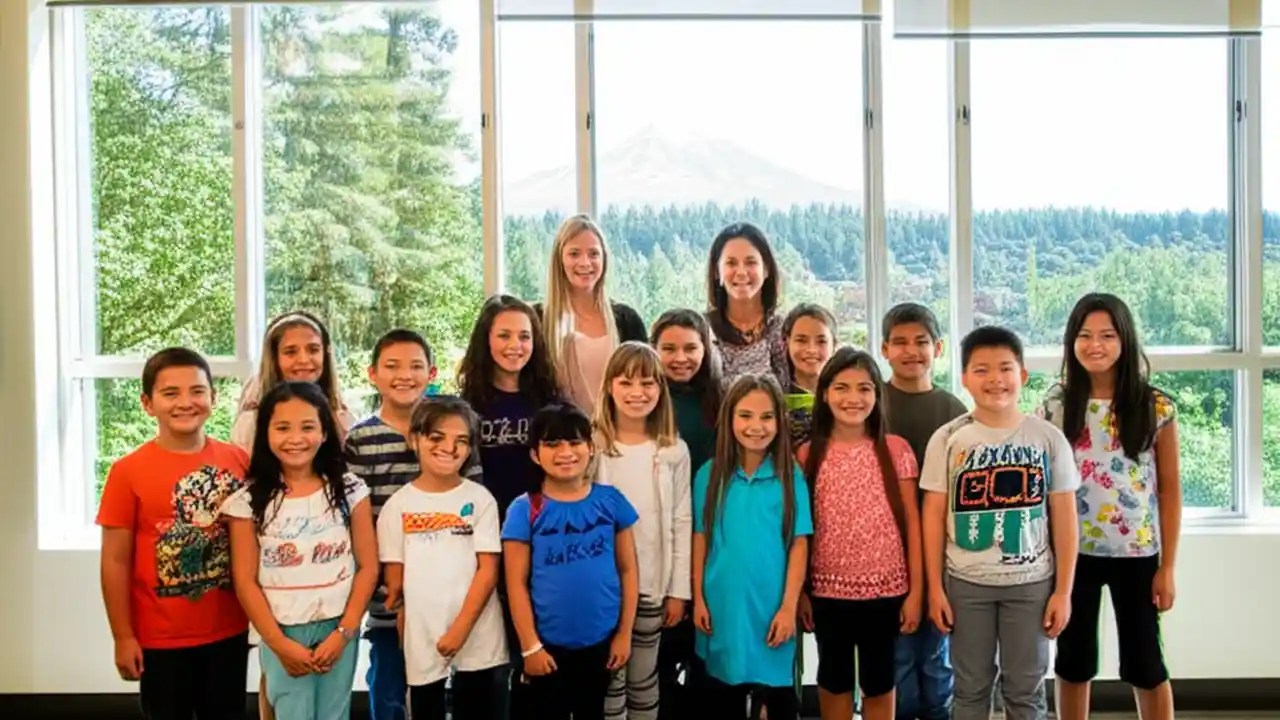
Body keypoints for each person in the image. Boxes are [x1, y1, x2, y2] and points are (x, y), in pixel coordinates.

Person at [920, 326, 1080, 720]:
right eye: (982, 370)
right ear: (964, 378)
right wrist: (935, 588)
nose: (995, 379)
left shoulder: (1048, 438)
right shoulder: (948, 438)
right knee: (970, 690)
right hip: (965, 583)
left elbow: (1063, 517)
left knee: (1026, 692)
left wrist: (1063, 591)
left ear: (1022, 375)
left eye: (1005, 368)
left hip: (1032, 584)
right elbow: (933, 516)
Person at [1039, 294, 1181, 720]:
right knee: (1073, 658)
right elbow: (1043, 486)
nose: (1094, 345)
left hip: (1136, 553)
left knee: (1145, 662)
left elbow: (1171, 492)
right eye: (1084, 335)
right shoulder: (1055, 406)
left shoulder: (1155, 407)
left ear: (1125, 341)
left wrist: (1168, 566)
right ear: (1071, 342)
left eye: (1106, 335)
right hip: (1072, 554)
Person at [97, 348, 251, 720]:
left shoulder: (238, 461)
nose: (186, 402)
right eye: (171, 393)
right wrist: (123, 636)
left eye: (197, 391)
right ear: (148, 404)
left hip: (229, 632)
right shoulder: (127, 471)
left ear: (213, 397)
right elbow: (115, 561)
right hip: (160, 640)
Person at [223, 382, 378, 720]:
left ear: (324, 432)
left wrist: (344, 631)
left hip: (338, 628)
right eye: (282, 427)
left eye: (308, 426)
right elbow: (246, 582)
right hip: (282, 630)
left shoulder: (350, 491)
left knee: (334, 714)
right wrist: (278, 643)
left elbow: (368, 567)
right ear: (265, 433)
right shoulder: (247, 502)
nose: (296, 438)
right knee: (292, 713)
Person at [796, 348, 923, 720]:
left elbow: (913, 525)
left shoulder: (895, 450)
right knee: (833, 678)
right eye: (842, 388)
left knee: (880, 679)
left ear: (877, 395)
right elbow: (800, 533)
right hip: (826, 592)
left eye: (864, 388)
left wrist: (916, 592)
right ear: (824, 393)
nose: (853, 398)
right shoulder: (806, 455)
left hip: (886, 591)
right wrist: (802, 592)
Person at [458, 294, 564, 719]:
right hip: (480, 545)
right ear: (486, 340)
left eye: (524, 336)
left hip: (540, 542)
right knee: (483, 657)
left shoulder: (549, 403)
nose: (514, 345)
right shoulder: (466, 405)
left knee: (533, 653)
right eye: (504, 335)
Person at [502, 402, 640, 720]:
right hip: (547, 648)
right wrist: (530, 646)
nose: (566, 451)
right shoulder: (525, 509)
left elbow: (629, 570)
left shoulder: (611, 500)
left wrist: (623, 634)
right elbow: (515, 584)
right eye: (552, 444)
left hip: (601, 644)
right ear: (536, 454)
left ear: (591, 448)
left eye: (575, 442)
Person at [378, 398, 509, 720]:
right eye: (437, 437)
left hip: (479, 637)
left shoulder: (480, 500)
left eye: (461, 440)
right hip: (423, 640)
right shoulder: (397, 506)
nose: (449, 448)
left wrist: (460, 630)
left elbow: (488, 571)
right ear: (415, 439)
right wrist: (404, 619)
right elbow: (395, 582)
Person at [693, 374, 812, 719]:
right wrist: (698, 597)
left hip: (771, 608)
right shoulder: (708, 475)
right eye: (745, 415)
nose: (755, 426)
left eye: (766, 417)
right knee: (723, 693)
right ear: (729, 418)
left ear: (779, 421)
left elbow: (799, 544)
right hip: (722, 608)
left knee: (776, 700)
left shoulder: (790, 476)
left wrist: (789, 607)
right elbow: (700, 538)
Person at [344, 329, 449, 720]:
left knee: (433, 688)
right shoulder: (361, 438)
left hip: (441, 582)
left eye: (416, 366)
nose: (404, 375)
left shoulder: (448, 429)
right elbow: (354, 515)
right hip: (386, 587)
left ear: (432, 372)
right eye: (392, 366)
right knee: (387, 688)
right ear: (373, 374)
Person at [593, 342, 693, 720]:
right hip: (604, 591)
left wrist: (678, 591)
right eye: (626, 382)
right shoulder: (594, 447)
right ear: (609, 388)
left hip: (654, 584)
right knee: (610, 681)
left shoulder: (673, 451)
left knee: (644, 679)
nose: (638, 393)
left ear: (660, 390)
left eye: (648, 383)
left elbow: (683, 521)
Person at [879, 303, 966, 720]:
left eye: (921, 342)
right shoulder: (870, 403)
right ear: (883, 349)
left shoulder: (954, 412)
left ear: (939, 347)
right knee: (894, 656)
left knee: (936, 655)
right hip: (881, 554)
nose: (911, 351)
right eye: (900, 342)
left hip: (939, 551)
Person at [647, 309, 723, 719]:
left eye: (691, 348)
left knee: (706, 655)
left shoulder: (720, 401)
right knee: (660, 653)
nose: (681, 357)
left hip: (712, 537)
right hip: (660, 540)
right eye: (669, 348)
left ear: (706, 349)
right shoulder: (646, 400)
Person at [537, 215, 647, 412]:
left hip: (619, 437)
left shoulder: (627, 321)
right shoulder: (537, 320)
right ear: (559, 259)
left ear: (604, 258)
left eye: (593, 254)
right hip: (561, 439)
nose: (585, 262)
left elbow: (647, 383)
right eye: (574, 253)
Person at [232, 310, 355, 451]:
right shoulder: (250, 425)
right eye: (290, 352)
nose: (303, 360)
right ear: (274, 359)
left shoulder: (342, 419)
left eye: (313, 350)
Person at [704, 223, 788, 388]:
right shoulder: (702, 332)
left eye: (750, 262)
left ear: (766, 269)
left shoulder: (785, 331)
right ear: (716, 271)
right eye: (731, 263)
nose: (741, 272)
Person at [782, 303, 837, 447]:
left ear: (834, 345)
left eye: (821, 341)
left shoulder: (846, 396)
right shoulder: (774, 397)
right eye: (801, 340)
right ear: (787, 343)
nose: (811, 349)